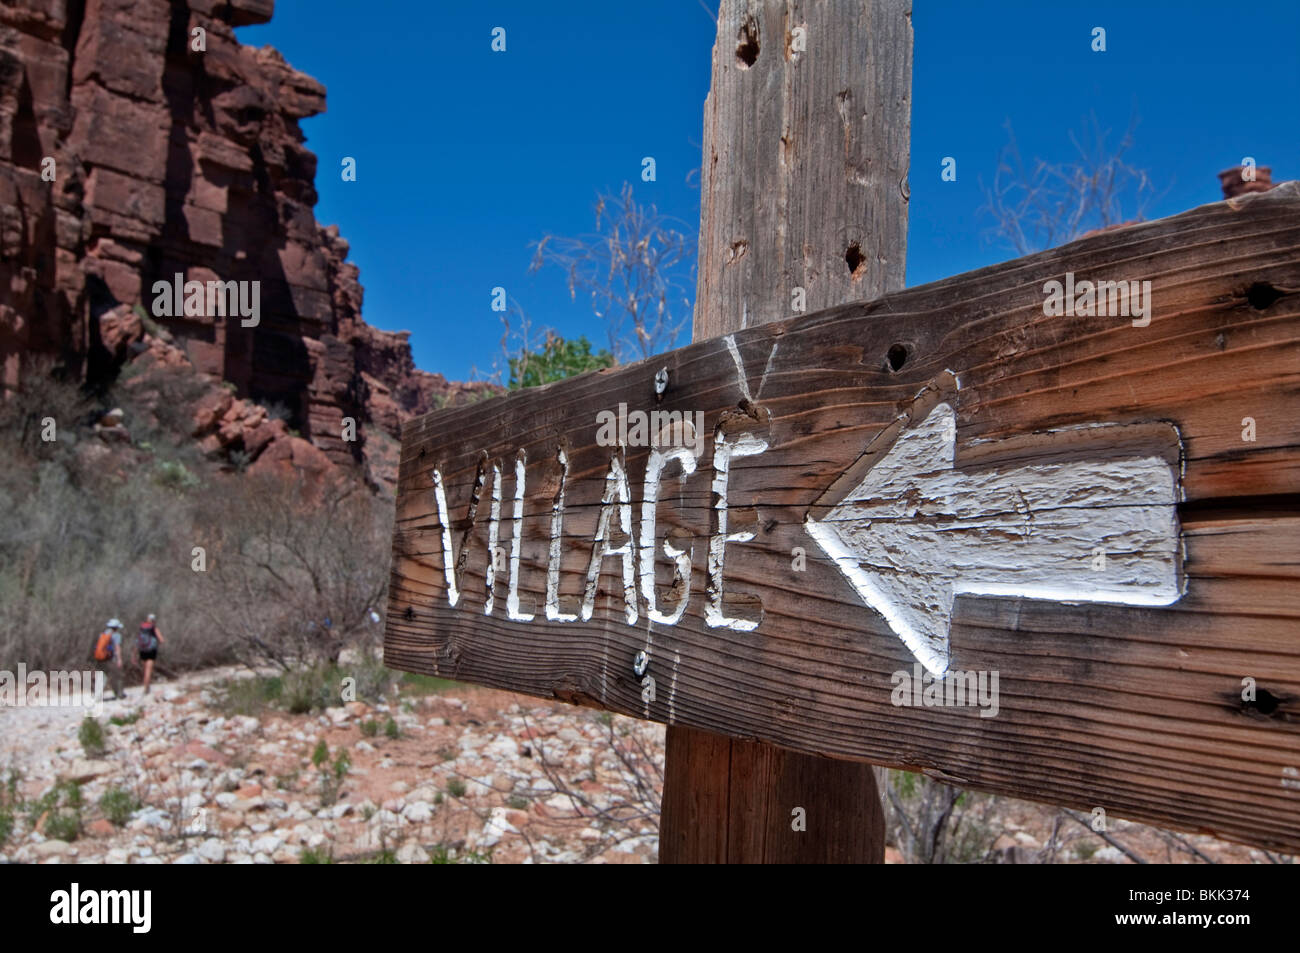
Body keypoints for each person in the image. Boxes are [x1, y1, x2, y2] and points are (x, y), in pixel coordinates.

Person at [93, 618, 126, 701]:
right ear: (116, 627)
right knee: (116, 676)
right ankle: (119, 694)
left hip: (100, 658)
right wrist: (119, 659)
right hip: (111, 659)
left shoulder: (102, 634)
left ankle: (97, 696)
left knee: (102, 676)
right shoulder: (116, 635)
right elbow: (117, 648)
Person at [137, 613, 165, 695]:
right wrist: (157, 643)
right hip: (151, 651)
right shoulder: (154, 628)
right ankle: (146, 688)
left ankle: (146, 686)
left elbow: (138, 640)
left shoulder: (142, 628)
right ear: (154, 620)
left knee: (144, 669)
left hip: (142, 650)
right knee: (148, 670)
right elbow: (161, 640)